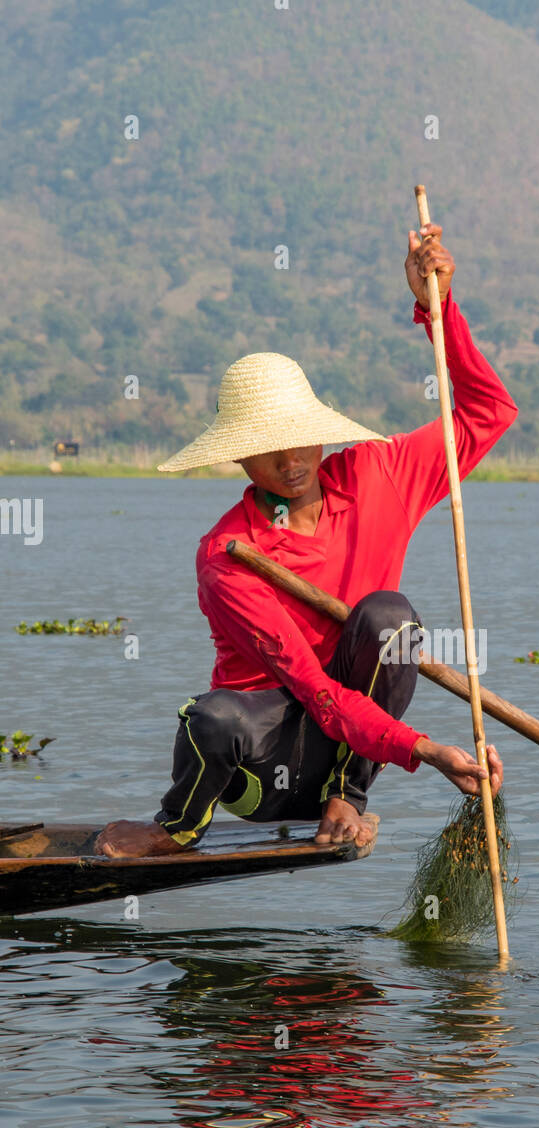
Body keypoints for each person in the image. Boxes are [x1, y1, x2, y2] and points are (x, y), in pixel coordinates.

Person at [95, 222, 517, 859]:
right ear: (238, 459)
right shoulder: (227, 555)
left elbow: (488, 412)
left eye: (298, 437)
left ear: (320, 432)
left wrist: (438, 310)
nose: (289, 460)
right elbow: (310, 687)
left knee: (390, 619)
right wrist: (423, 748)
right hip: (261, 769)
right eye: (264, 450)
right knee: (212, 717)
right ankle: (175, 827)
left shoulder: (379, 476)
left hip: (348, 756)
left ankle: (348, 798)